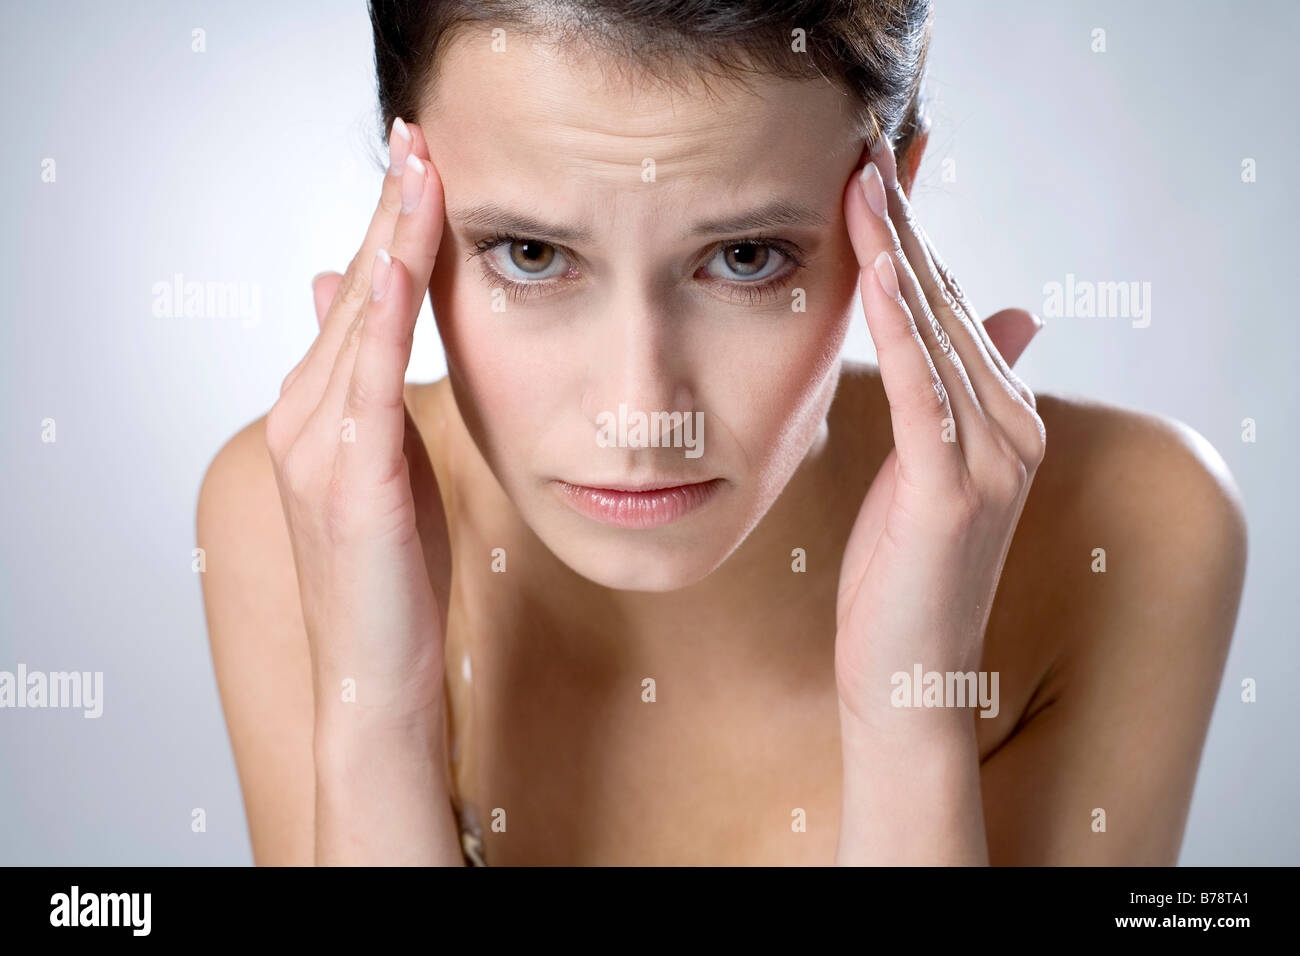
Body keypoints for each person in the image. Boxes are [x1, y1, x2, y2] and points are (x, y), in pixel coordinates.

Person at [197, 0, 1247, 865]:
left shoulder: (1131, 529)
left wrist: (909, 719)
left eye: (745, 259)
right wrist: (377, 715)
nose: (640, 410)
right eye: (528, 252)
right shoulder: (294, 513)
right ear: (405, 215)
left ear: (894, 209)